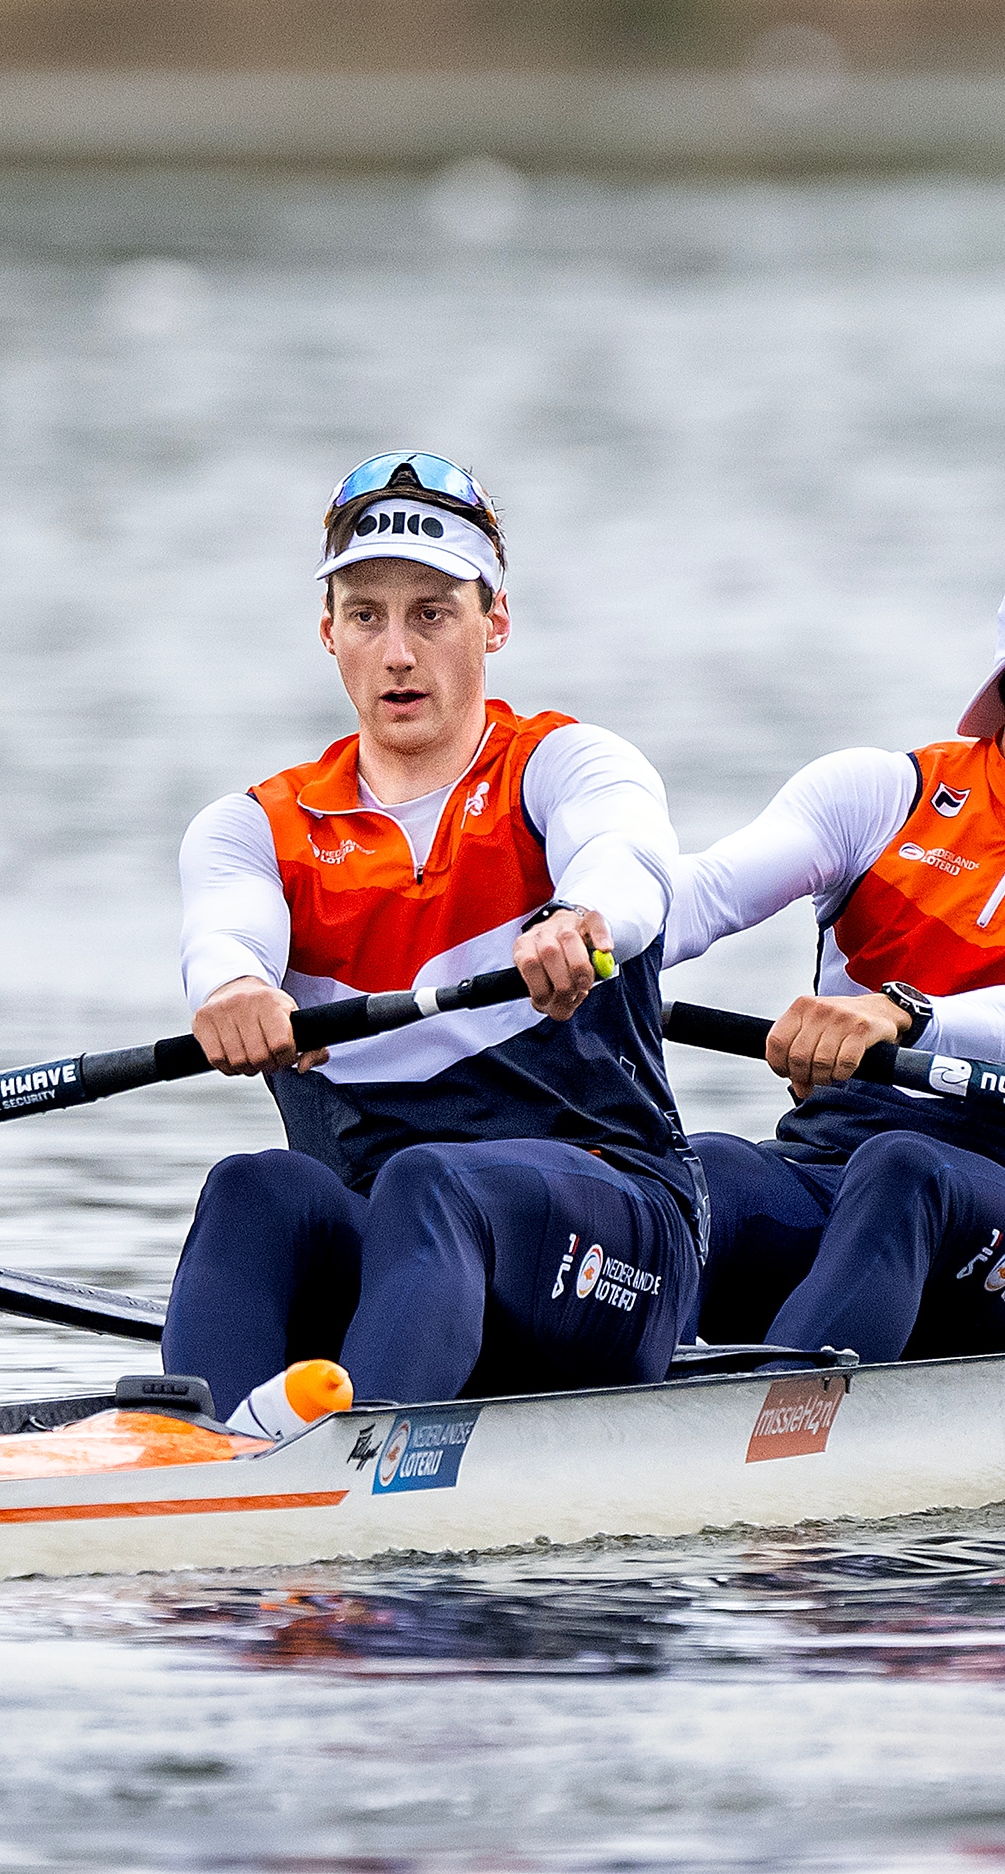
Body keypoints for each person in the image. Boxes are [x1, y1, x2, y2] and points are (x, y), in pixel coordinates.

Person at [163, 452, 703, 1436]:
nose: (398, 653)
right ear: (328, 633)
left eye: (432, 613)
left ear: (495, 621)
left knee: (430, 1181)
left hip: (618, 1253)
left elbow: (628, 861)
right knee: (255, 1187)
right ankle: (200, 1471)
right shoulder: (250, 829)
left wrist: (582, 919)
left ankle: (343, 1482)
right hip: (397, 1269)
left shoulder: (563, 765)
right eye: (366, 615)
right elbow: (225, 929)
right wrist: (237, 989)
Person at [667, 534, 1005, 1364]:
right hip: (828, 1180)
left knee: (907, 1170)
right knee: (697, 1170)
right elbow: (697, 895)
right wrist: (574, 931)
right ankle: (601, 1421)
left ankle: (778, 1436)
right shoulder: (880, 796)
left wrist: (901, 1015)